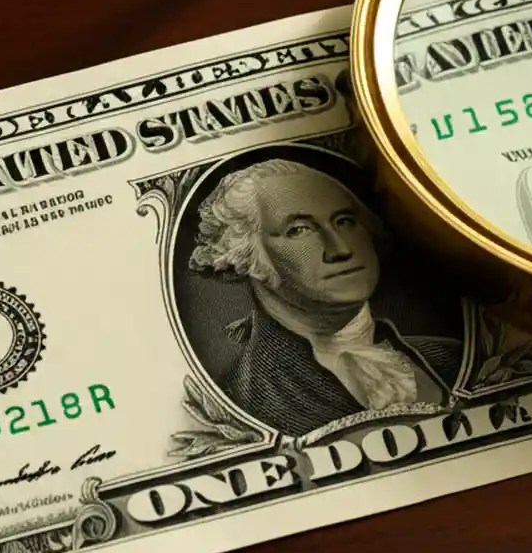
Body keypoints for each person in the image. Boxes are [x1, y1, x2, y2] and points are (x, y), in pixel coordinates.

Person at [189, 158, 463, 437]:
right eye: (298, 229)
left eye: (345, 221)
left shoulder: (451, 357)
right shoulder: (242, 401)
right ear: (243, 254)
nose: (341, 249)